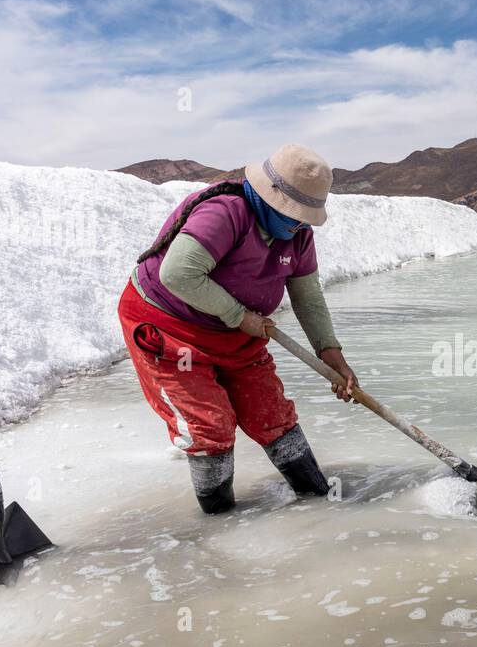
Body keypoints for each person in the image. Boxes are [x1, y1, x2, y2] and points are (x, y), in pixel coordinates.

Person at [117, 143, 358, 513]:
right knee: (209, 427)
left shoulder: (298, 235)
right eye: (295, 214)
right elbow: (178, 274)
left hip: (239, 333)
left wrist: (332, 355)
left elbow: (308, 299)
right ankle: (220, 524)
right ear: (270, 196)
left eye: (305, 217)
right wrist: (239, 316)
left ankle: (319, 501)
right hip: (171, 329)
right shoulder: (226, 213)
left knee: (272, 414)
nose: (300, 223)